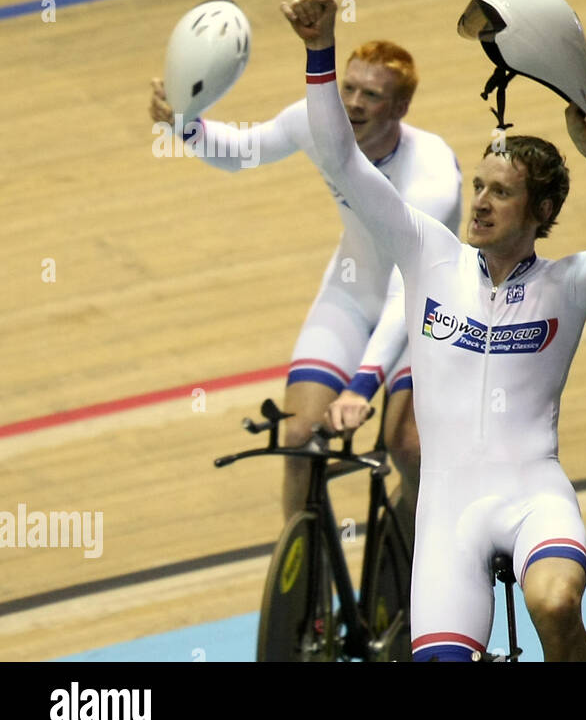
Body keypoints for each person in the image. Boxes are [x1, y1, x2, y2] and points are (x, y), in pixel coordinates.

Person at [281, 0, 586, 661]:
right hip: (448, 518)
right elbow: (343, 159)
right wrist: (321, 50)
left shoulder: (567, 286)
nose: (481, 203)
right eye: (480, 187)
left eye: (502, 192)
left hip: (531, 499)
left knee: (552, 601)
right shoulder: (429, 255)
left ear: (539, 208)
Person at [149, 38, 461, 539]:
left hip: (423, 314)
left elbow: (409, 296)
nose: (354, 103)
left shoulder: (432, 176)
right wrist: (185, 124)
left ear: (400, 107)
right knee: (297, 436)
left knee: (408, 447)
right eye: (349, 88)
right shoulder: (321, 122)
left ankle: (409, 543)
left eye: (372, 96)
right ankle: (305, 586)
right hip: (352, 292)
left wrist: (363, 386)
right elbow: (242, 151)